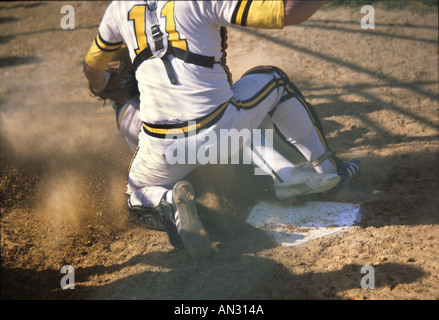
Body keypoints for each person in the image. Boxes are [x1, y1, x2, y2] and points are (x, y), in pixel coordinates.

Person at [83, 0, 360, 261]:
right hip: (219, 132)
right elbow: (287, 10)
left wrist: (99, 86)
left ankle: (168, 202)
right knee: (273, 82)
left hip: (164, 151)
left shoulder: (118, 8)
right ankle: (327, 171)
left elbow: (91, 66)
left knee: (134, 196)